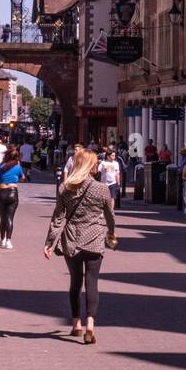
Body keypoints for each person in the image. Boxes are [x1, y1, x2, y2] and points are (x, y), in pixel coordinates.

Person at [44, 148, 116, 345]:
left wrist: (49, 242)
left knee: (76, 282)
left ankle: (76, 323)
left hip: (72, 239)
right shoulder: (102, 189)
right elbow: (110, 215)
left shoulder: (66, 187)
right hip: (94, 237)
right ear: (91, 166)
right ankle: (90, 326)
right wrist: (111, 233)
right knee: (92, 282)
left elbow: (58, 218)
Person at [0, 149, 24, 250]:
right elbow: (22, 178)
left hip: (2, 191)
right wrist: (15, 178)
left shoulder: (1, 166)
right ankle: (8, 241)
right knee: (10, 218)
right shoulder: (18, 166)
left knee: (2, 218)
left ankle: (2, 239)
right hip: (13, 191)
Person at [98, 146, 123, 211]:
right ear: (108, 156)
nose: (114, 157)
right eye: (112, 155)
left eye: (114, 155)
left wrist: (118, 183)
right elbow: (98, 171)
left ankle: (111, 211)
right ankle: (102, 211)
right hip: (104, 183)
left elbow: (117, 173)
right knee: (103, 198)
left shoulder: (116, 163)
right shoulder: (103, 163)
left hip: (113, 183)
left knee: (112, 197)